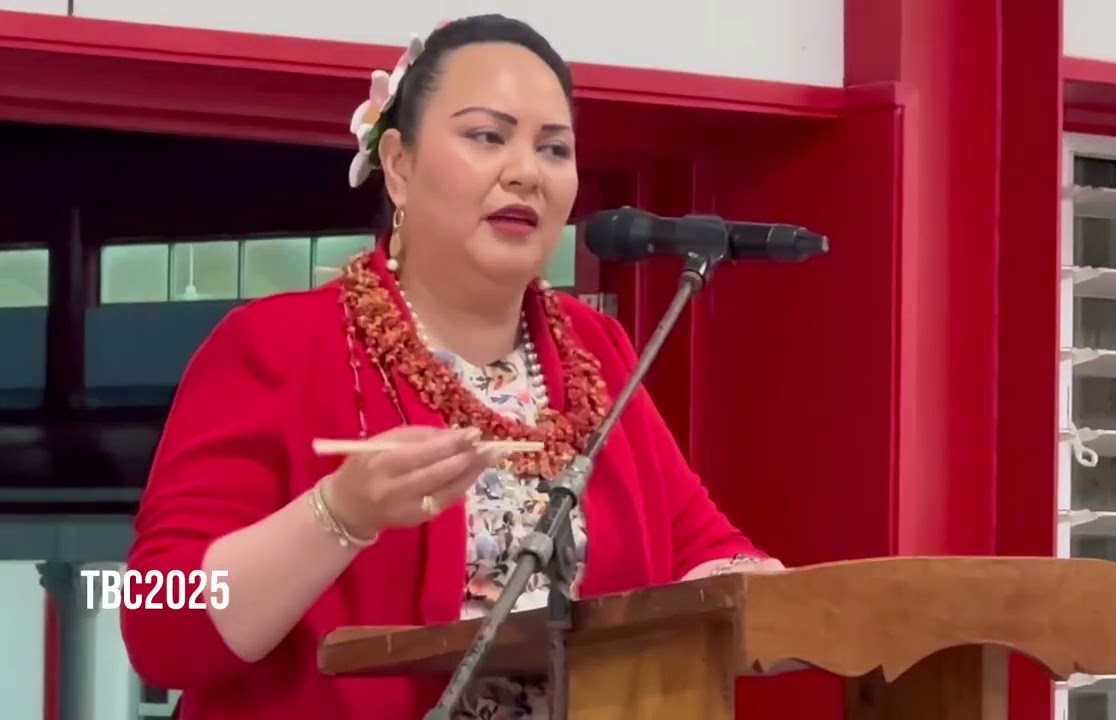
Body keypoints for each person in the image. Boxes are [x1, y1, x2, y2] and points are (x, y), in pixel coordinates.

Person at [120, 14, 781, 720]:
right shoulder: (275, 344)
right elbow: (160, 623)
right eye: (486, 137)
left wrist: (778, 591)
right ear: (400, 166)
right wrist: (337, 515)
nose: (525, 172)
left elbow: (703, 550)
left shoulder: (597, 350)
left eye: (553, 149)